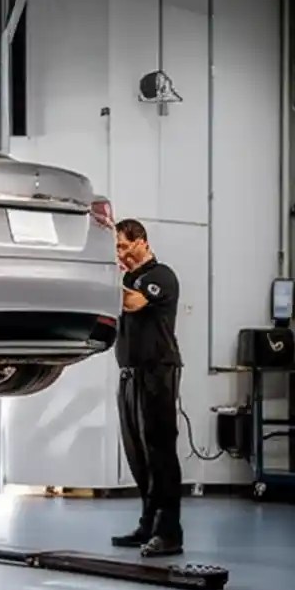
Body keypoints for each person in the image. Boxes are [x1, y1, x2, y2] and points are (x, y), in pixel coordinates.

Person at [111, 218, 184, 557]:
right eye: (117, 248)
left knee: (160, 451)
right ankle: (148, 523)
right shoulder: (125, 279)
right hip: (130, 374)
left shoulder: (160, 276)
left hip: (158, 372)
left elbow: (133, 303)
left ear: (141, 241)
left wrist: (103, 277)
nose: (121, 253)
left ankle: (169, 531)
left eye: (124, 246)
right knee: (137, 453)